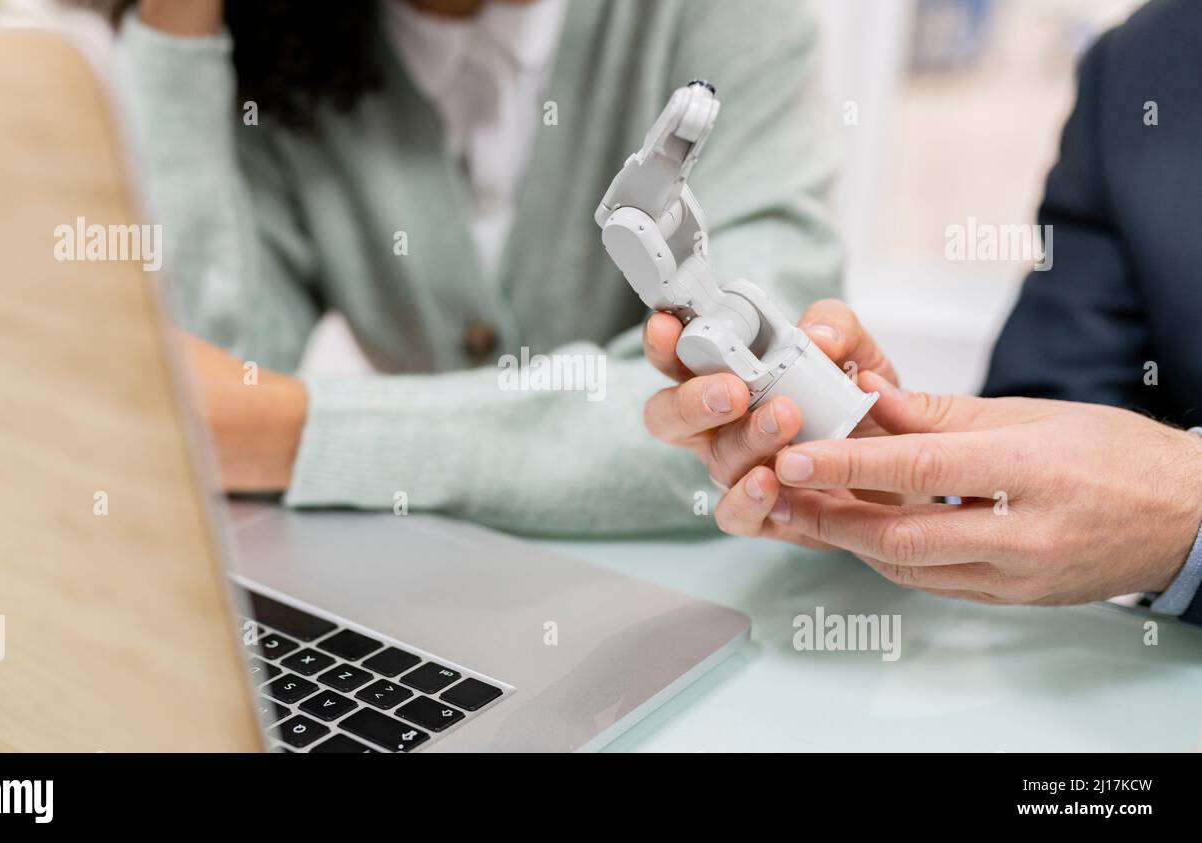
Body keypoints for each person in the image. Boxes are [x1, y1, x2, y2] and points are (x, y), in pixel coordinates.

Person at [111, 0, 842, 535]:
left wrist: (298, 432)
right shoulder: (276, 49)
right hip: (429, 601)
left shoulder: (727, 19)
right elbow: (195, 409)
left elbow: (764, 418)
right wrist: (178, 28)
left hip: (714, 623)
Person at [639, 0, 1202, 624]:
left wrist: (1188, 511)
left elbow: (1154, 500)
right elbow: (1061, 408)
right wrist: (921, 489)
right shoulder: (1145, 61)